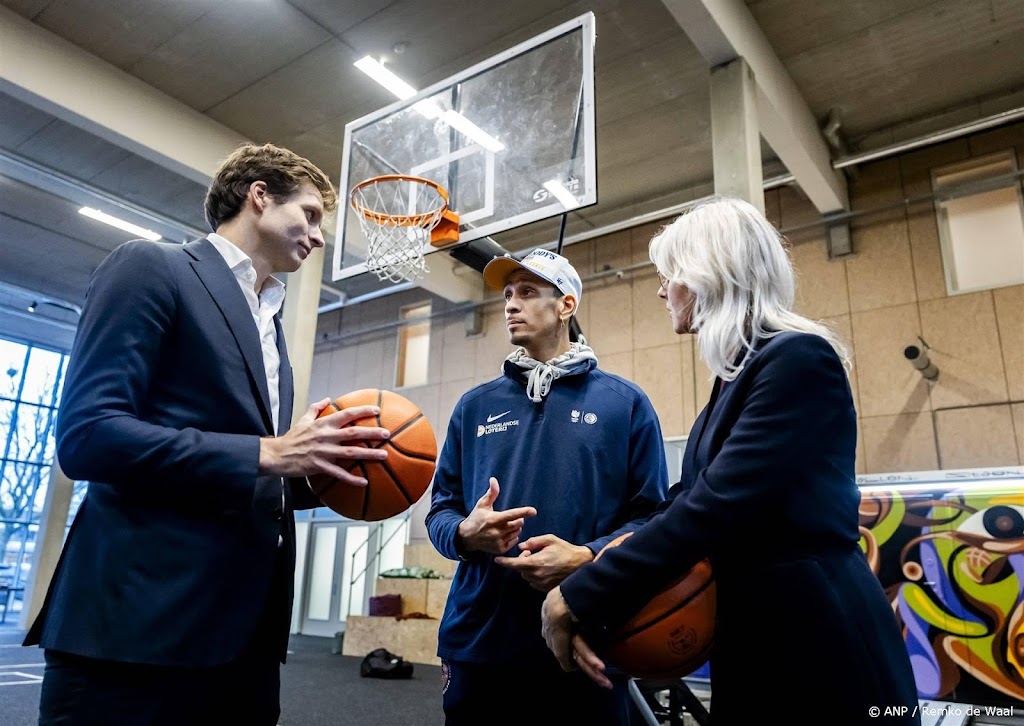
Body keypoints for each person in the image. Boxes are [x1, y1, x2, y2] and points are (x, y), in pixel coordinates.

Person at [23, 143, 391, 725]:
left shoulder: (271, 329)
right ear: (260, 195)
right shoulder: (152, 266)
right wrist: (270, 451)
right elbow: (88, 436)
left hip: (242, 644)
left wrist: (334, 472)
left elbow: (248, 476)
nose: (320, 238)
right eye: (312, 214)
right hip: (136, 633)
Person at [541, 196, 922, 726]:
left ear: (706, 276)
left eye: (668, 274)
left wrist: (581, 596)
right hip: (758, 641)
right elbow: (680, 502)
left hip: (822, 645)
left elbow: (715, 506)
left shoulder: (798, 359)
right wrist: (590, 558)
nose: (659, 289)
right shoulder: (733, 381)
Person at [425, 249, 670, 725]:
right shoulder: (473, 407)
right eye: (508, 294)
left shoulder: (625, 404)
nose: (511, 304)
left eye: (529, 292)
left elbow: (652, 518)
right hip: (480, 640)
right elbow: (440, 511)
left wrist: (588, 554)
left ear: (567, 306)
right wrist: (464, 533)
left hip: (585, 632)